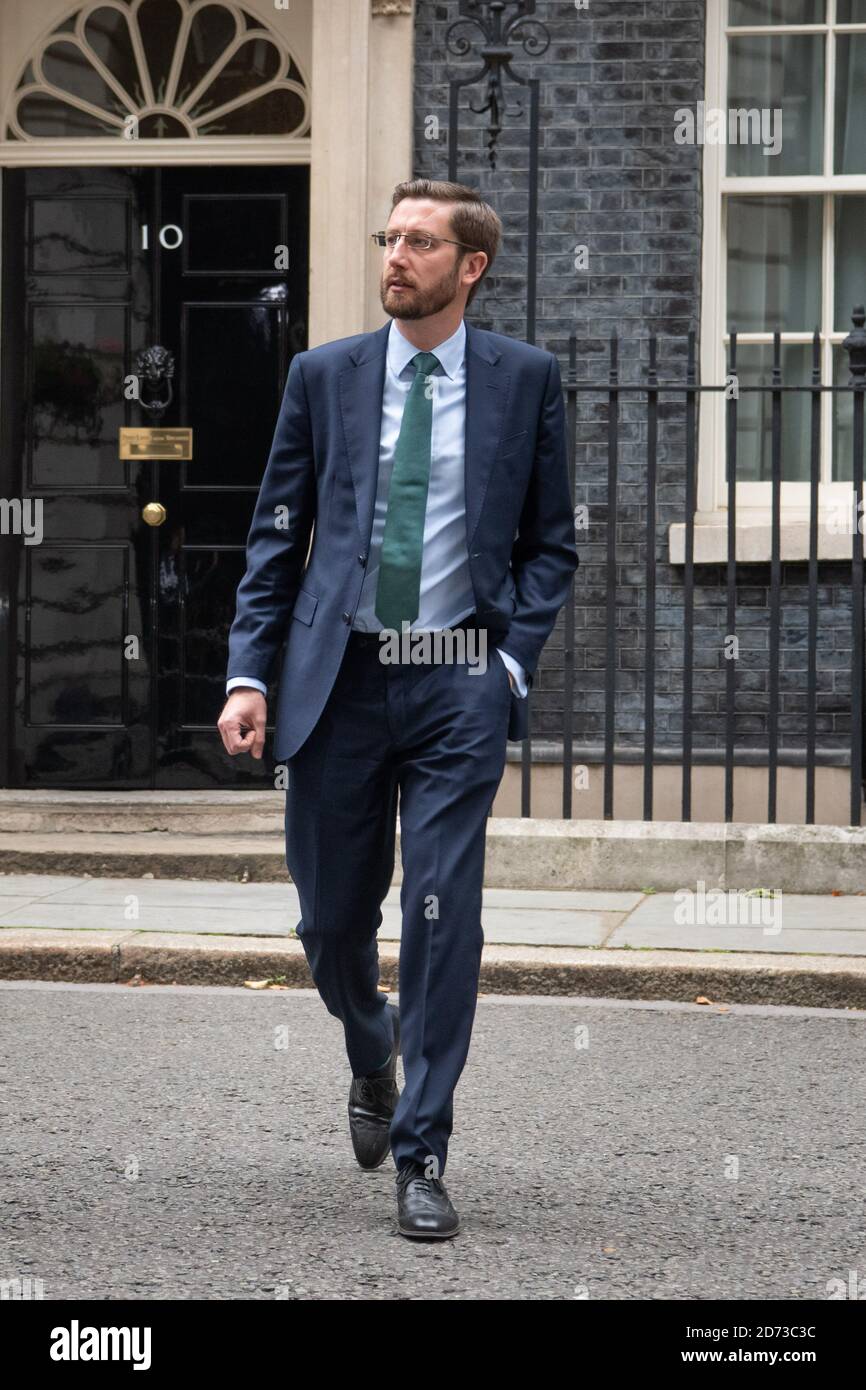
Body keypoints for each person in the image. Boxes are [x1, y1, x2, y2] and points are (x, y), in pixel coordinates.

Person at [217, 178, 578, 1240]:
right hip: (339, 677)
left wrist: (507, 664)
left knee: (441, 912)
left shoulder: (525, 380)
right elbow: (276, 537)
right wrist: (249, 674)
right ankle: (368, 1045)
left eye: (419, 242)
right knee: (330, 921)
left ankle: (422, 1150)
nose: (395, 256)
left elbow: (550, 541)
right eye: (389, 238)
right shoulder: (322, 375)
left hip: (457, 673)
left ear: (470, 265)